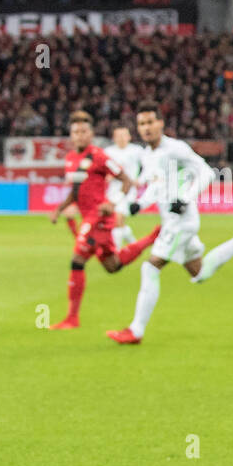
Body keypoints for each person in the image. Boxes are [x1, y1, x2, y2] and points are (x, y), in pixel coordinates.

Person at [106, 100, 233, 345]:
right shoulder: (149, 154)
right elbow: (156, 184)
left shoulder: (176, 149)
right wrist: (140, 204)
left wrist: (185, 198)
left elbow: (206, 172)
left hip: (180, 222)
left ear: (160, 123)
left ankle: (136, 331)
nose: (146, 127)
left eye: (151, 122)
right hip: (175, 221)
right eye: (142, 123)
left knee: (150, 268)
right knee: (200, 273)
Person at [47, 110, 158, 330]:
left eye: (83, 131)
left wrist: (113, 203)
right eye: (75, 131)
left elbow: (125, 181)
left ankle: (72, 318)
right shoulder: (70, 159)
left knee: (77, 260)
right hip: (88, 217)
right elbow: (75, 191)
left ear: (91, 133)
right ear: (71, 135)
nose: (79, 135)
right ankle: (153, 237)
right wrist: (60, 209)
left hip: (98, 217)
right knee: (112, 265)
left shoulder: (99, 156)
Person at [103, 124, 146, 246]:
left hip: (129, 190)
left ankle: (116, 252)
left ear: (129, 137)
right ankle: (135, 245)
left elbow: (149, 166)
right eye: (118, 136)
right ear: (114, 137)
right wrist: (107, 176)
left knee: (118, 219)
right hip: (113, 190)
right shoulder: (108, 152)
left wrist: (141, 180)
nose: (121, 138)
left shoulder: (137, 150)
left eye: (124, 135)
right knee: (117, 222)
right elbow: (103, 170)